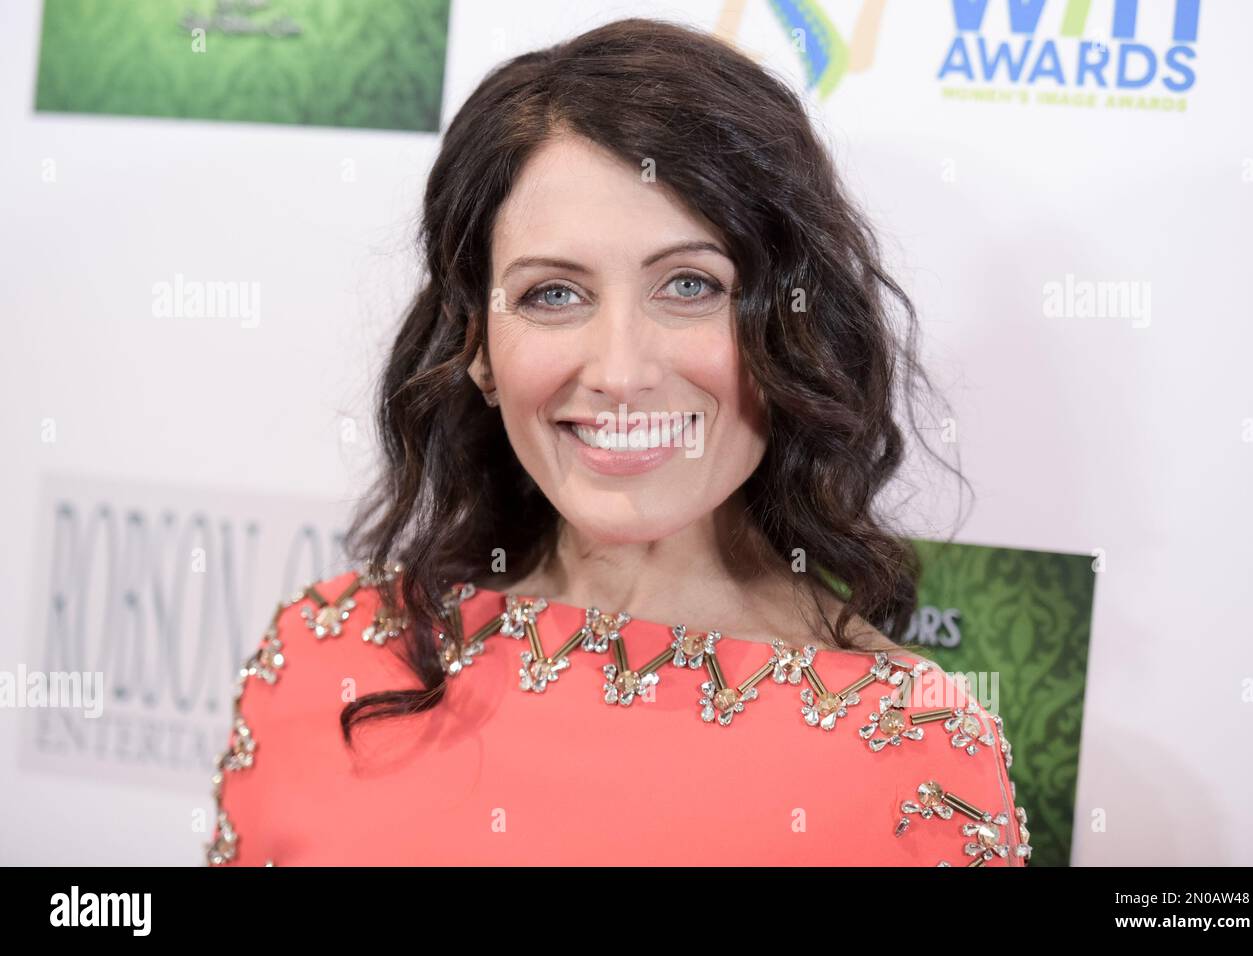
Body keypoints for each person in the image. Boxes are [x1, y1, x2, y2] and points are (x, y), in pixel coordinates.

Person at [204, 17, 1031, 866]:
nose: (621, 372)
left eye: (689, 285)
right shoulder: (326, 659)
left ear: (792, 329)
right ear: (478, 349)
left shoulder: (907, 753)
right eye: (553, 295)